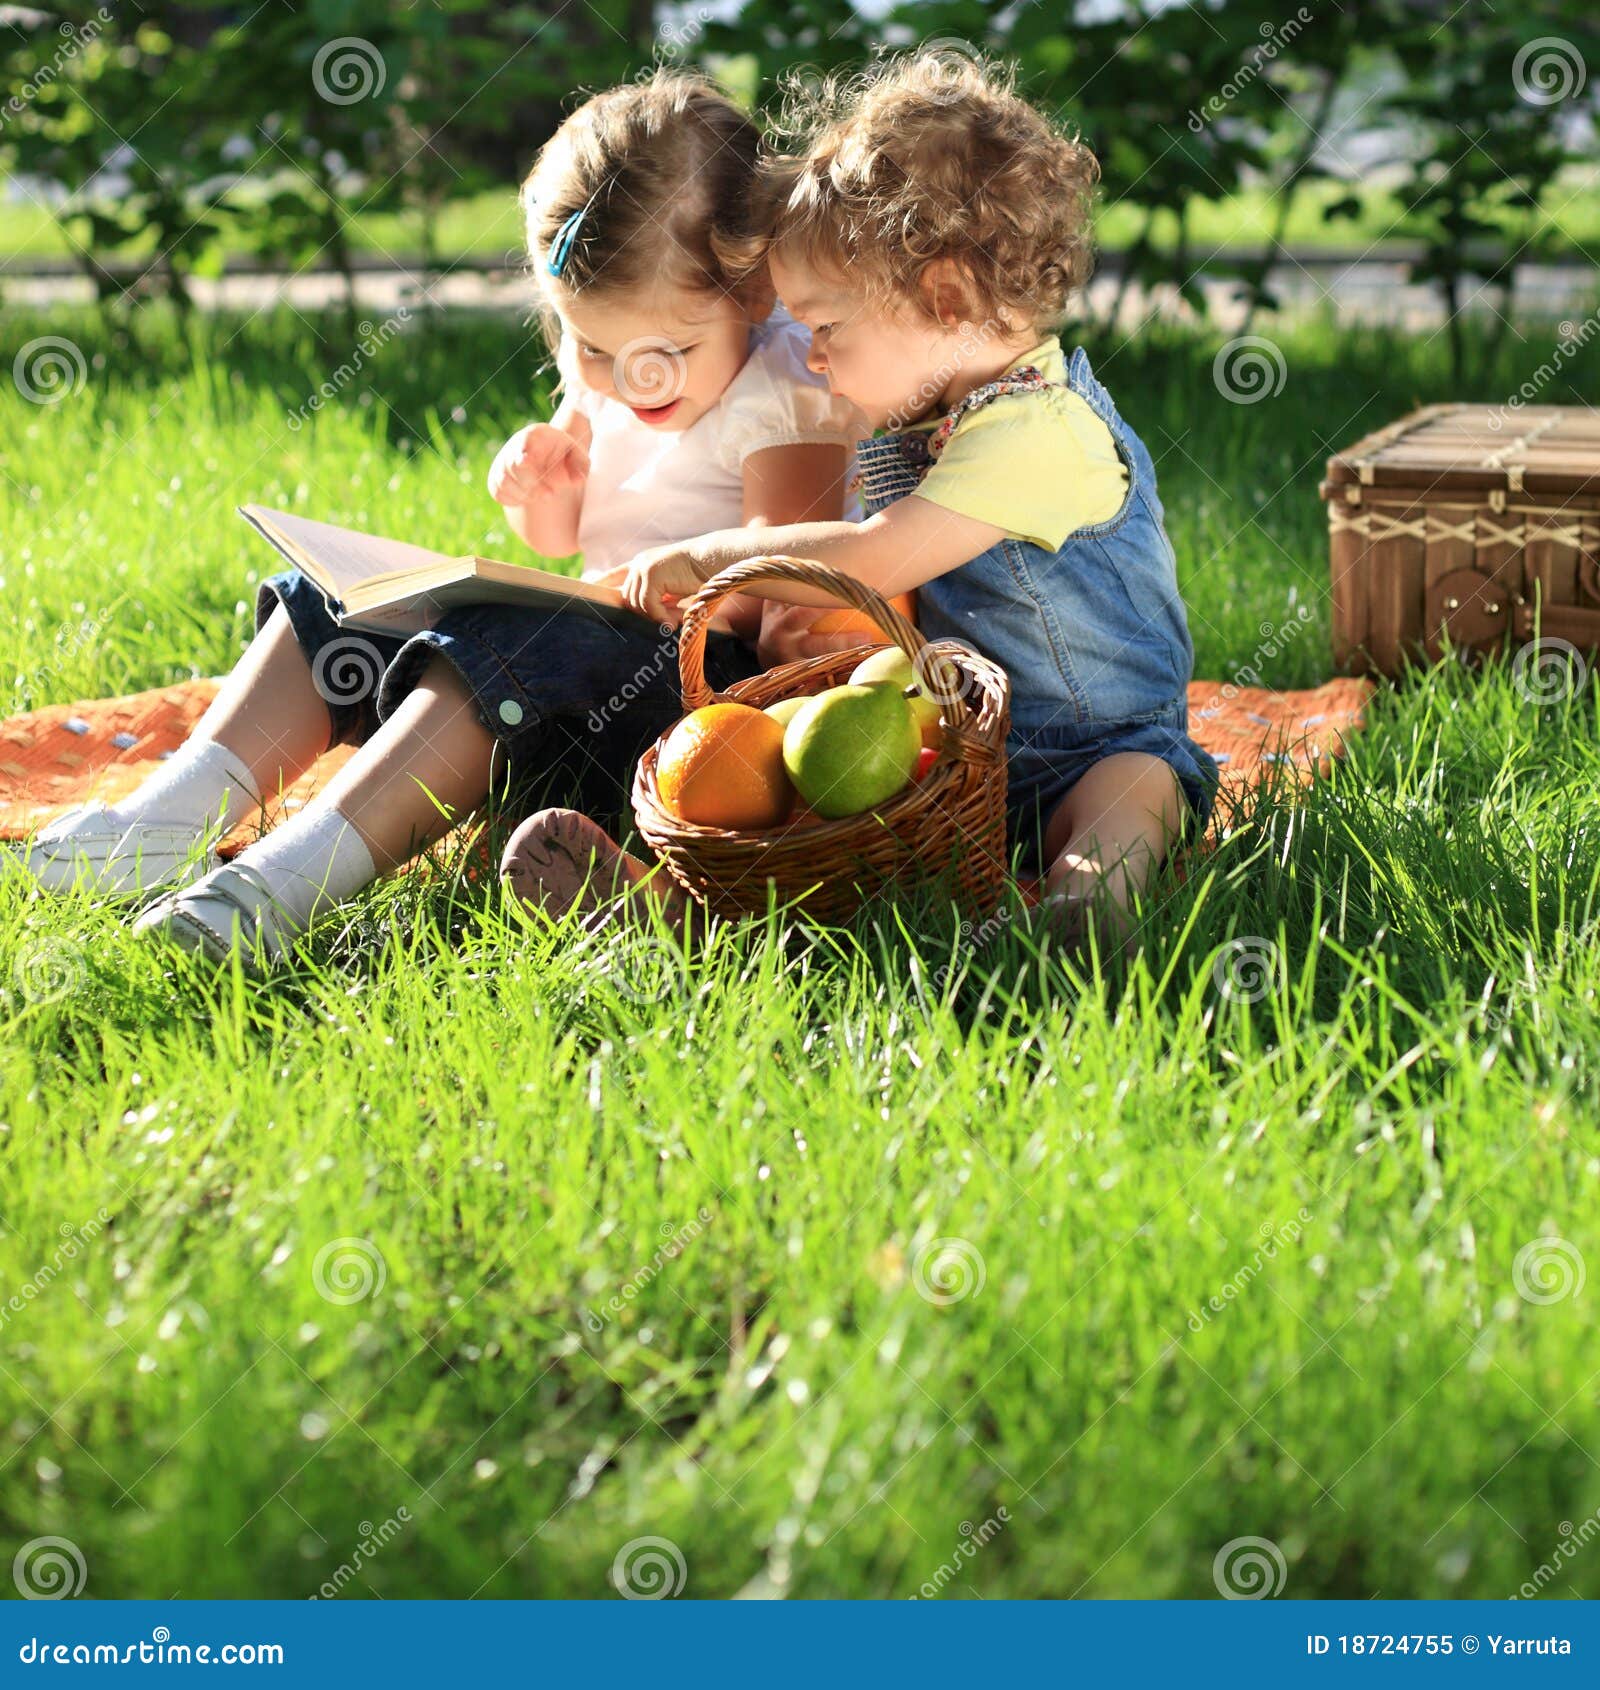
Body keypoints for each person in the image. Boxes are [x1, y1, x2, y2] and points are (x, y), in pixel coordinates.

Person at [12, 70, 867, 969]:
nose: (625, 380)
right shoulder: (610, 380)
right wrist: (544, 491)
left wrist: (661, 590)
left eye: (666, 354)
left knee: (508, 646)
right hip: (579, 660)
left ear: (754, 294)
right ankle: (171, 815)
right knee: (342, 600)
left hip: (699, 692)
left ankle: (279, 889)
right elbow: (563, 541)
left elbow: (778, 590)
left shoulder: (780, 397)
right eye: (592, 346)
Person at [509, 48, 1220, 949]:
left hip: (1093, 749)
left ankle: (1083, 912)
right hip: (956, 756)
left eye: (827, 327)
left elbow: (879, 555)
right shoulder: (930, 412)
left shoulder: (1040, 431)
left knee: (1134, 793)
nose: (811, 356)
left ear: (947, 298)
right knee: (824, 782)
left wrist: (710, 559)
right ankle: (690, 911)